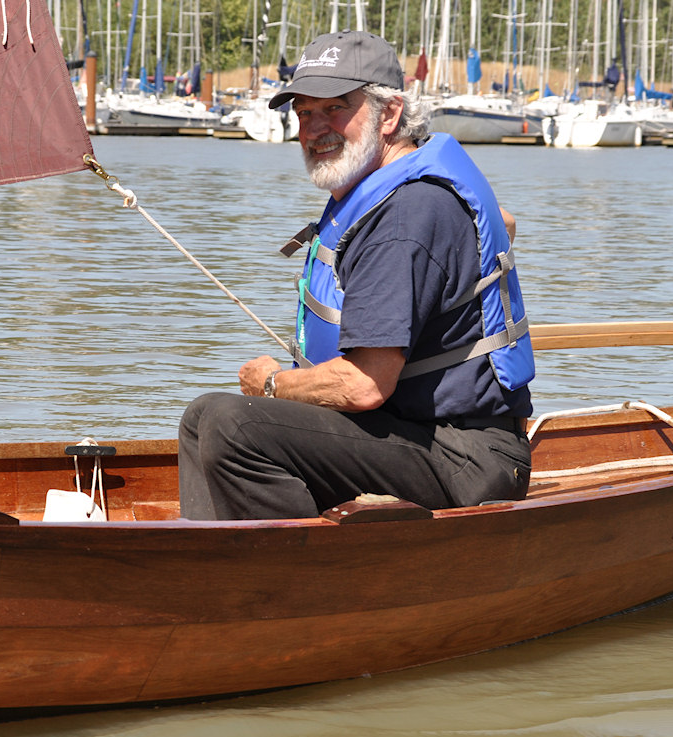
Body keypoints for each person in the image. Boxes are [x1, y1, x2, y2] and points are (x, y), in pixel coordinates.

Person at [178, 30, 534, 520]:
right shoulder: (404, 191)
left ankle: (293, 579)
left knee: (228, 422)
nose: (315, 128)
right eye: (304, 113)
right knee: (203, 420)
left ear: (389, 114)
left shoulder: (404, 218)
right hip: (413, 435)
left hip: (466, 458)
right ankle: (217, 561)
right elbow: (498, 225)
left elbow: (364, 386)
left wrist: (271, 384)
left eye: (335, 109)